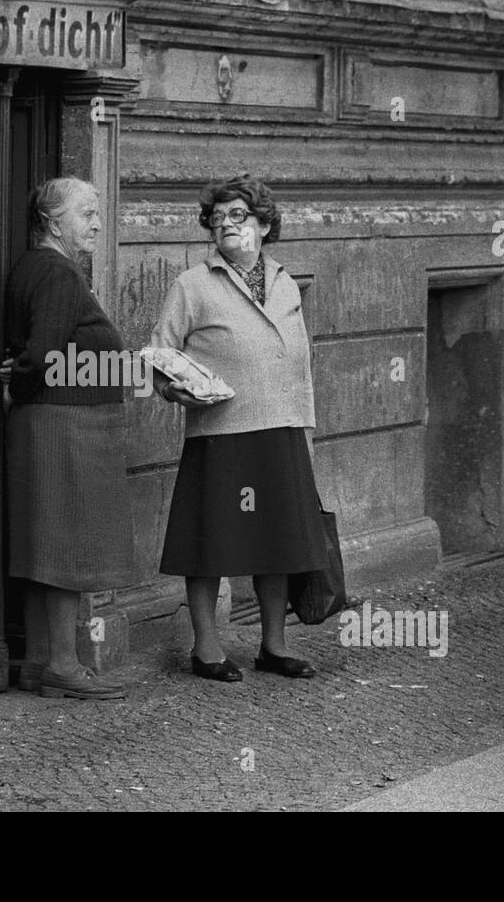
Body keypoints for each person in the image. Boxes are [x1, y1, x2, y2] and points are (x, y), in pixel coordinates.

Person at [151, 173, 330, 681]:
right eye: (218, 216)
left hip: (281, 429)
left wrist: (306, 430)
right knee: (209, 544)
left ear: (264, 225)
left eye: (239, 215)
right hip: (219, 432)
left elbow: (302, 363)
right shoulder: (192, 284)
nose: (227, 224)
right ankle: (206, 649)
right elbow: (160, 352)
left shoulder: (284, 282)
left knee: (278, 543)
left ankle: (273, 646)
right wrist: (173, 390)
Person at [0, 176, 136, 699]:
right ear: (53, 221)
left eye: (98, 213)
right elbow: (41, 354)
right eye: (87, 213)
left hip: (62, 420)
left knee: (46, 543)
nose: (97, 223)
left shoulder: (49, 268)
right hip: (63, 426)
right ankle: (60, 663)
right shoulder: (56, 272)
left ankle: (39, 663)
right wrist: (22, 386)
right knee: (64, 544)